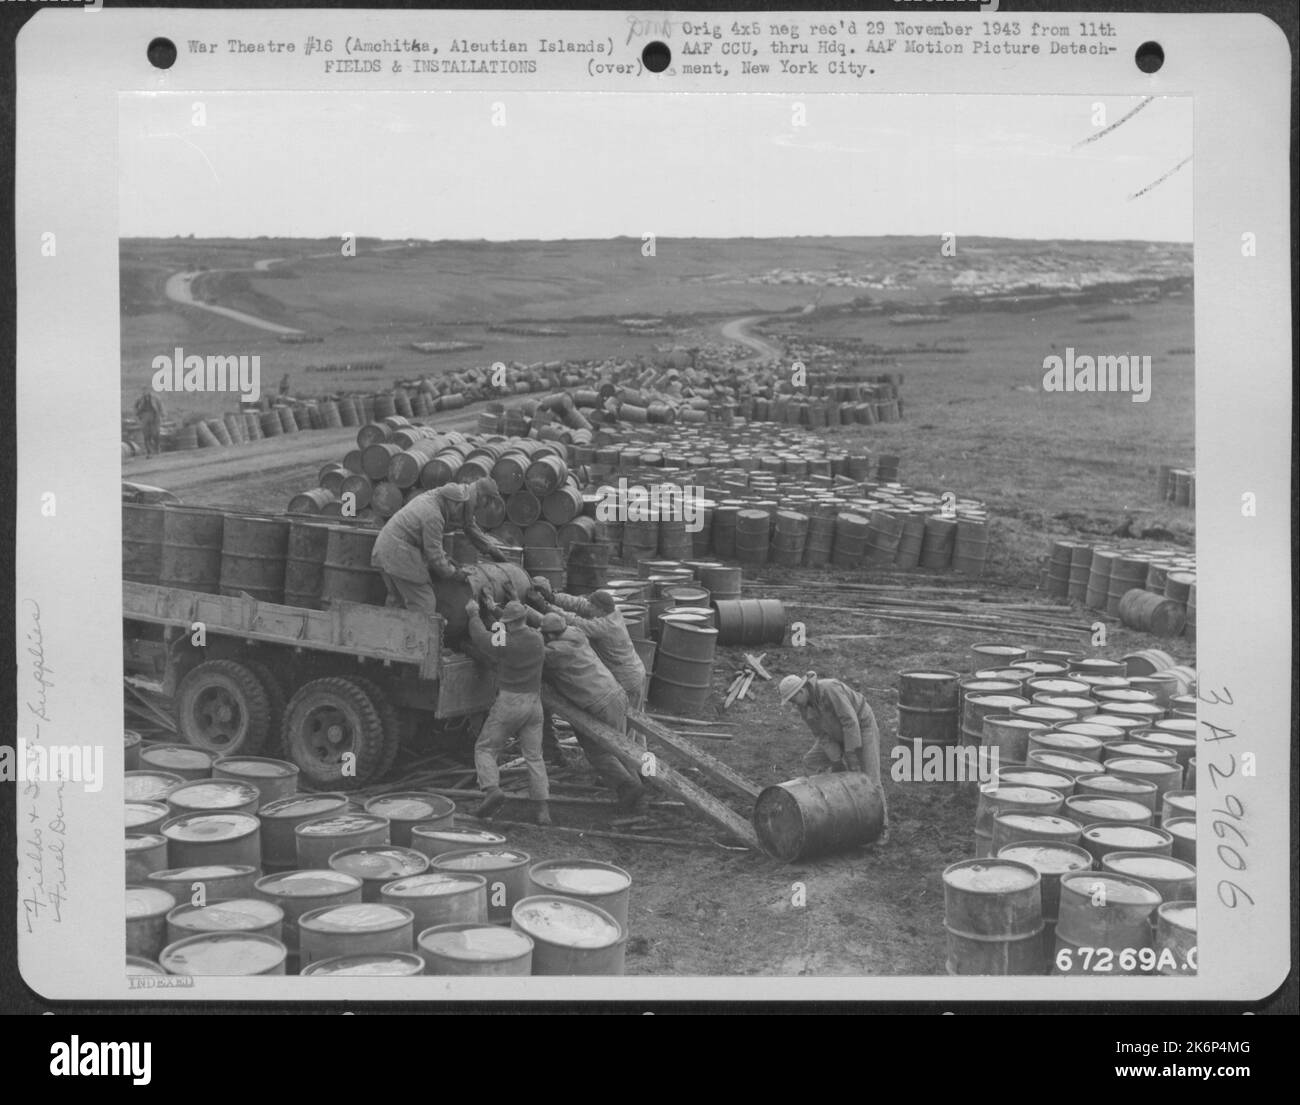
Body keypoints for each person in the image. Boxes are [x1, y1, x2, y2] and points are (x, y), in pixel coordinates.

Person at [537, 611, 646, 812]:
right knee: (620, 746)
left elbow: (519, 648)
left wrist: (497, 626)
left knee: (597, 751)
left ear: (550, 636)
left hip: (597, 703)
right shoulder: (575, 633)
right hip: (615, 694)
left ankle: (627, 786)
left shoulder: (556, 651)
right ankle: (637, 787)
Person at [463, 599, 549, 825]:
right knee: (534, 756)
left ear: (508, 624)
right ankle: (542, 809)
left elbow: (482, 639)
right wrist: (494, 607)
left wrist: (474, 614)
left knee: (485, 748)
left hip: (510, 702)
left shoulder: (506, 643)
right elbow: (511, 625)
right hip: (534, 703)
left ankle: (492, 790)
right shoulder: (537, 638)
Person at [370, 478, 506, 615]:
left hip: (385, 547)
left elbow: (468, 524)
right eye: (456, 506)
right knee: (424, 603)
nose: (457, 509)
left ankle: (389, 635)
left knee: (398, 603)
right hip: (398, 552)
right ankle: (422, 635)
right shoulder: (434, 515)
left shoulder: (456, 496)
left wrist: (491, 549)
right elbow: (434, 554)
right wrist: (454, 572)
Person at [778, 669, 888, 833]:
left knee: (870, 778)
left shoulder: (830, 689)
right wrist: (836, 759)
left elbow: (850, 722)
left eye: (793, 699)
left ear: (801, 690)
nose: (794, 704)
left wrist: (850, 754)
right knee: (811, 762)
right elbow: (821, 735)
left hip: (861, 726)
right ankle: (828, 810)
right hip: (834, 732)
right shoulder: (804, 706)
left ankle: (881, 826)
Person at [530, 581, 645, 714]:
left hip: (627, 677)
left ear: (600, 610)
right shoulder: (612, 611)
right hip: (635, 670)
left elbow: (574, 621)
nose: (588, 606)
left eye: (592, 605)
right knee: (633, 721)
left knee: (627, 720)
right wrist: (553, 598)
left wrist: (545, 606)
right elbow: (580, 603)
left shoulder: (604, 627)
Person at [134, 388, 165, 457]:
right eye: (144, 391)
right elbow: (135, 406)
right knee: (146, 435)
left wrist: (162, 414)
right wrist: (138, 414)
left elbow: (160, 406)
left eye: (146, 391)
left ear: (149, 391)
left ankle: (157, 448)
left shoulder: (156, 398)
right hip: (144, 416)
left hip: (154, 416)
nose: (145, 393)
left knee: (155, 434)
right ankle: (149, 451)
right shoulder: (140, 399)